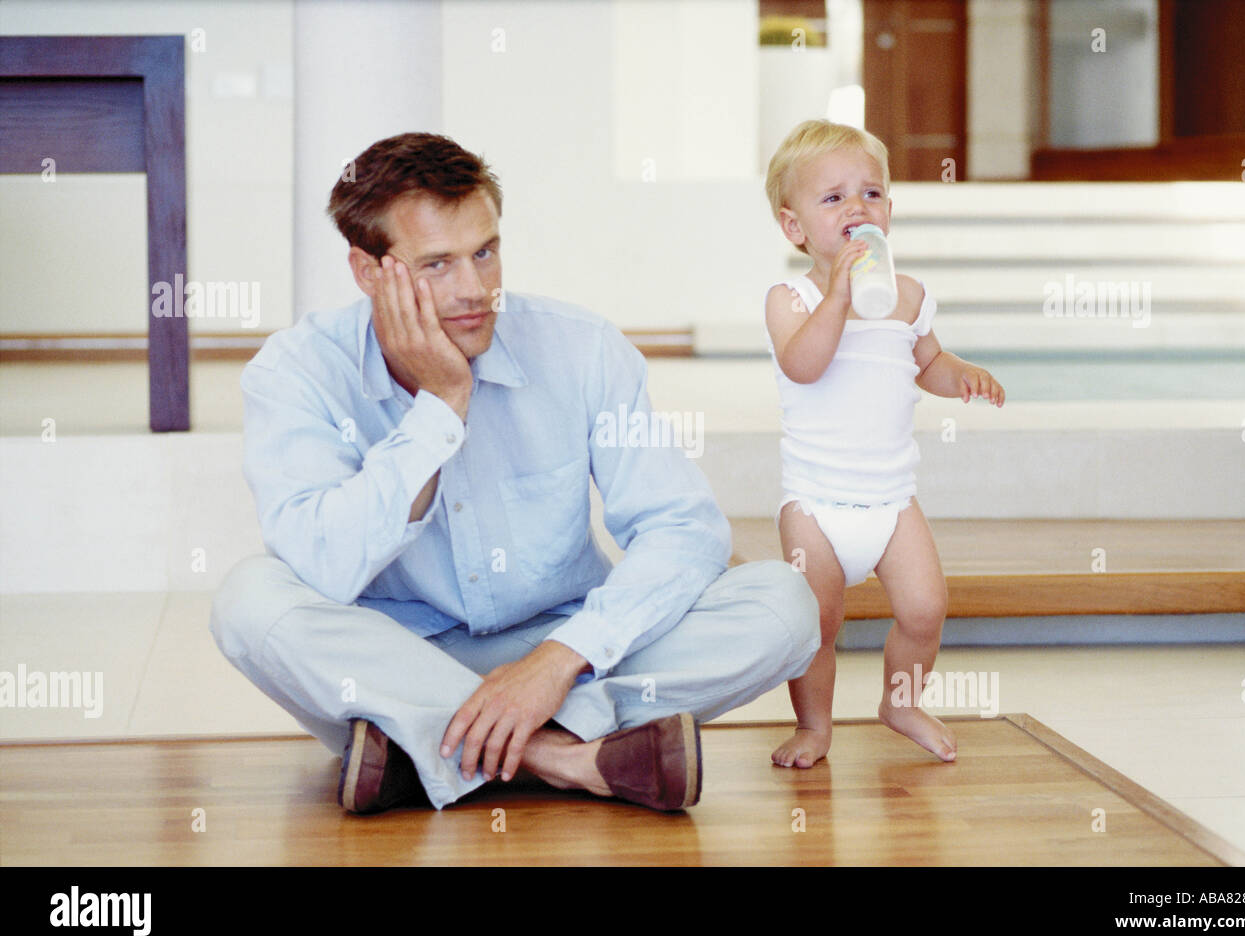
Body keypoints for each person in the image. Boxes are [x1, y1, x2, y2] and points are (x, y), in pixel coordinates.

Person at [210, 132, 819, 813]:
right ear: (367, 270)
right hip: (398, 657)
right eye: (437, 264)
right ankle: (567, 759)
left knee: (783, 605)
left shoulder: (582, 349)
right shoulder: (297, 372)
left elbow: (684, 529)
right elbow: (322, 564)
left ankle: (424, 753)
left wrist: (559, 660)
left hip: (566, 653)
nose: (475, 290)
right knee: (249, 602)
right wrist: (441, 407)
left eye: (486, 252)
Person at [762, 119, 1005, 769]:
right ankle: (814, 726)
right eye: (833, 198)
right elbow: (804, 365)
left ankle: (899, 702)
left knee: (926, 610)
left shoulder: (909, 296)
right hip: (815, 504)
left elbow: (927, 361)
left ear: (889, 212)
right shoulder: (792, 299)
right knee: (817, 621)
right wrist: (838, 295)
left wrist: (962, 377)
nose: (857, 208)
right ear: (795, 228)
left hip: (891, 499)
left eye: (870, 193)